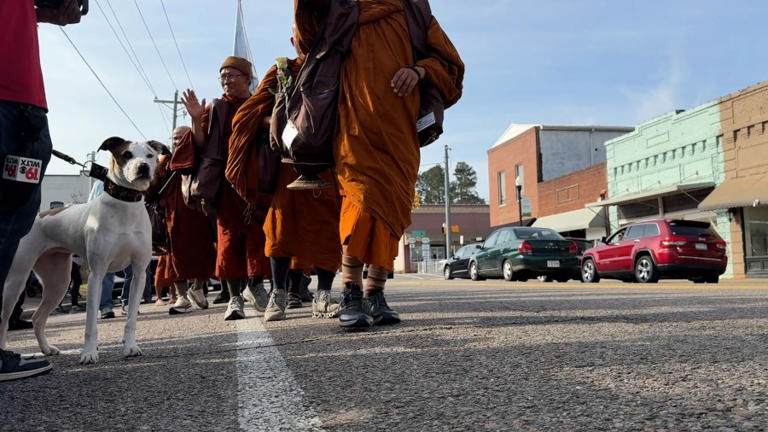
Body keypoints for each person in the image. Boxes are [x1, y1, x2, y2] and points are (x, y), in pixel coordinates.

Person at [294, 0, 464, 328]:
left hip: (399, 132)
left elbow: (450, 63)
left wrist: (419, 70)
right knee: (359, 208)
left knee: (391, 212)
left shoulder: (413, 9)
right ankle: (351, 293)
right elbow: (308, 41)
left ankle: (376, 292)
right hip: (353, 128)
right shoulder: (339, 6)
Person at [228, 37, 342, 322]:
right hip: (289, 165)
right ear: (293, 40)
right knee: (279, 228)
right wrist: (280, 122)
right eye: (301, 35)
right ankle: (278, 294)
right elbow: (246, 115)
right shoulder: (283, 71)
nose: (308, 39)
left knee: (327, 228)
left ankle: (323, 295)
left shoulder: (337, 66)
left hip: (326, 163)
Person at [0, 0, 81, 381]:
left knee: (10, 219)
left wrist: (38, 11)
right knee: (7, 219)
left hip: (19, 100)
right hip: (14, 100)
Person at [181, 57, 271, 321]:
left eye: (232, 76)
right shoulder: (218, 107)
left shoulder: (260, 104)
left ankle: (256, 286)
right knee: (229, 239)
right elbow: (200, 144)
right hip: (226, 184)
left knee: (258, 236)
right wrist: (197, 119)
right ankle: (234, 297)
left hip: (257, 182)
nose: (226, 81)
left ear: (247, 79)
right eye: (222, 77)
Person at [149, 126, 216, 315]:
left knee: (205, 253)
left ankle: (197, 287)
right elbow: (152, 189)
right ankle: (181, 297)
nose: (178, 142)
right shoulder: (165, 162)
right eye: (175, 139)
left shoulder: (201, 157)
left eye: (182, 138)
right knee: (175, 257)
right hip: (173, 217)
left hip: (199, 214)